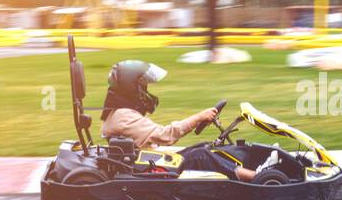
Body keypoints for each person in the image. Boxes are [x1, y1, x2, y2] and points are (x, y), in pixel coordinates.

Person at [99, 60, 257, 181]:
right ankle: (255, 178)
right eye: (143, 86)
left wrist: (199, 119)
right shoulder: (123, 116)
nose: (145, 91)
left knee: (204, 147)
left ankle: (243, 172)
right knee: (201, 155)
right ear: (131, 87)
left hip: (146, 161)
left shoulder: (119, 112)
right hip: (147, 168)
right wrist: (198, 118)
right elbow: (165, 135)